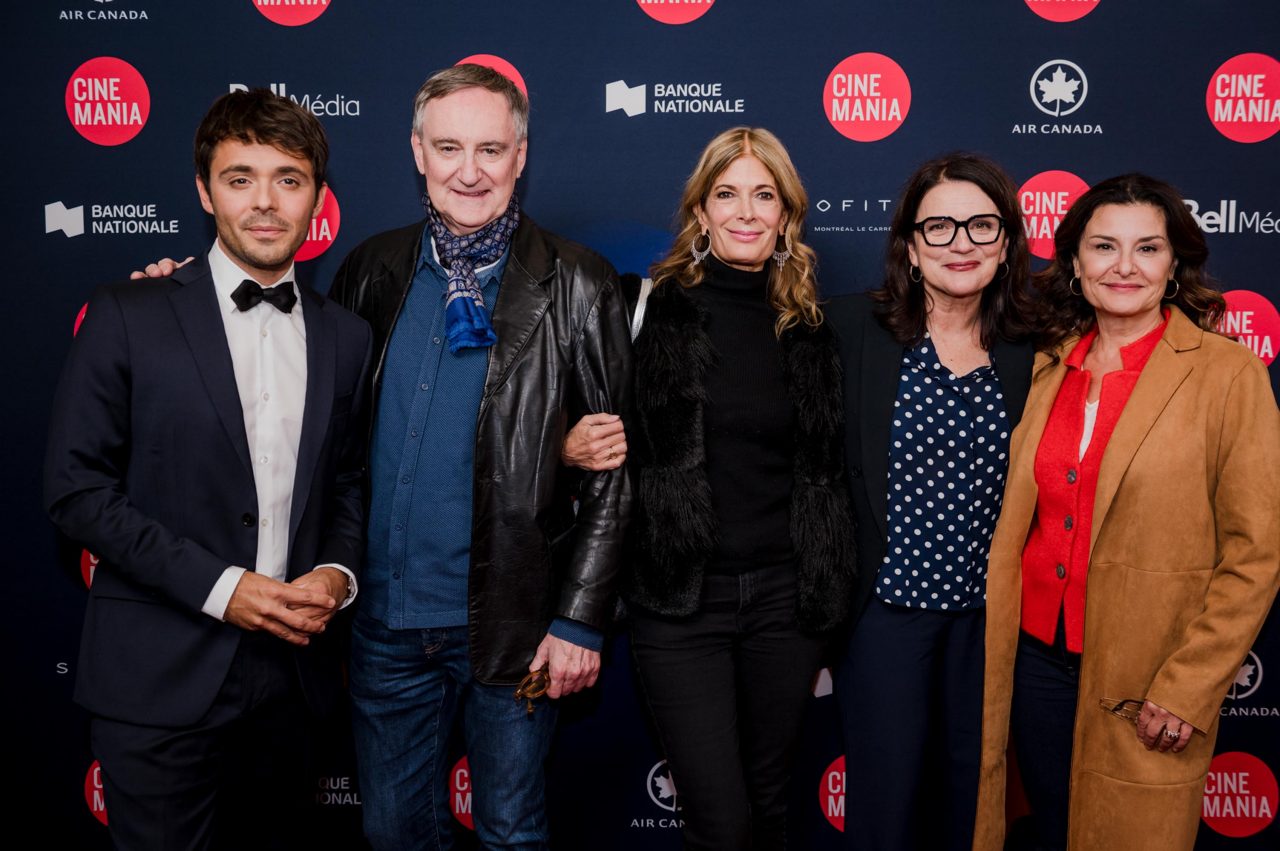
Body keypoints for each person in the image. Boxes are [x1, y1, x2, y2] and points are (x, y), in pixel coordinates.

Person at [43, 89, 372, 849]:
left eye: (288, 179)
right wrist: (224, 589)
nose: (265, 201)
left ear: (317, 197)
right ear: (203, 189)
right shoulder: (128, 311)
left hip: (293, 684)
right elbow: (77, 490)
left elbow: (350, 483)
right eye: (240, 177)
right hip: (158, 676)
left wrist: (335, 574)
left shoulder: (346, 337)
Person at [327, 64, 632, 850]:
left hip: (514, 622)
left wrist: (579, 620)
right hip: (386, 622)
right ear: (417, 153)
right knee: (394, 833)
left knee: (511, 832)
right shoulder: (371, 268)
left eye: (491, 149)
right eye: (449, 147)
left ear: (521, 156)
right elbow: (330, 430)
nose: (470, 171)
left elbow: (613, 468)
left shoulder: (577, 281)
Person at [972, 174, 1280, 851]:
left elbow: (1254, 555)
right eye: (1104, 246)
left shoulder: (1228, 375)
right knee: (1047, 829)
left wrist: (1189, 683)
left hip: (1148, 674)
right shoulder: (1045, 366)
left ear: (1174, 265)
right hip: (1036, 664)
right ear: (1075, 262)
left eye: (1147, 248)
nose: (1124, 266)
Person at [622, 126, 856, 851]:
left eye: (765, 195)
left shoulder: (814, 328)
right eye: (728, 194)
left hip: (786, 603)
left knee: (769, 804)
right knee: (719, 823)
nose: (747, 212)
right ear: (701, 211)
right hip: (679, 601)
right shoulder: (645, 311)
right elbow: (584, 426)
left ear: (787, 214)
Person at [826, 153, 1036, 851]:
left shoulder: (1033, 348)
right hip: (884, 617)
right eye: (939, 226)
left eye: (981, 225)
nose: (961, 243)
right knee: (885, 813)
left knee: (971, 810)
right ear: (910, 247)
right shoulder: (851, 329)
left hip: (990, 623)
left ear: (1006, 243)